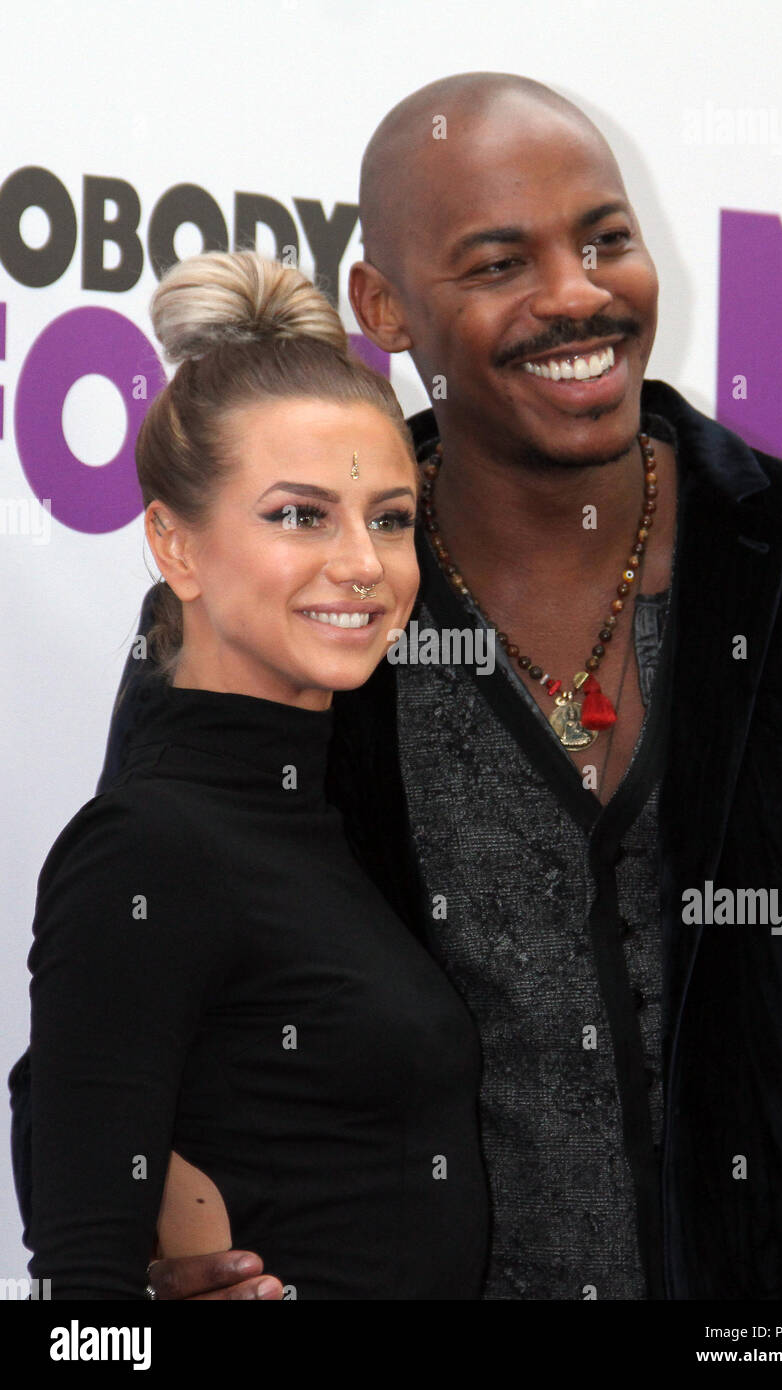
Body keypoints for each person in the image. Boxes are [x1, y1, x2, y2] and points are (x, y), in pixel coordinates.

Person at [11, 71, 782, 1301]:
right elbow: (123, 1017)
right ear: (384, 304)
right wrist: (153, 1265)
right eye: (497, 262)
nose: (574, 292)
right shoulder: (294, 612)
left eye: (605, 239)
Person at [18, 249, 490, 1299]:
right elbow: (82, 1300)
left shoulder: (327, 822)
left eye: (390, 519)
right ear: (174, 546)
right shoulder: (147, 847)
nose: (362, 564)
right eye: (298, 515)